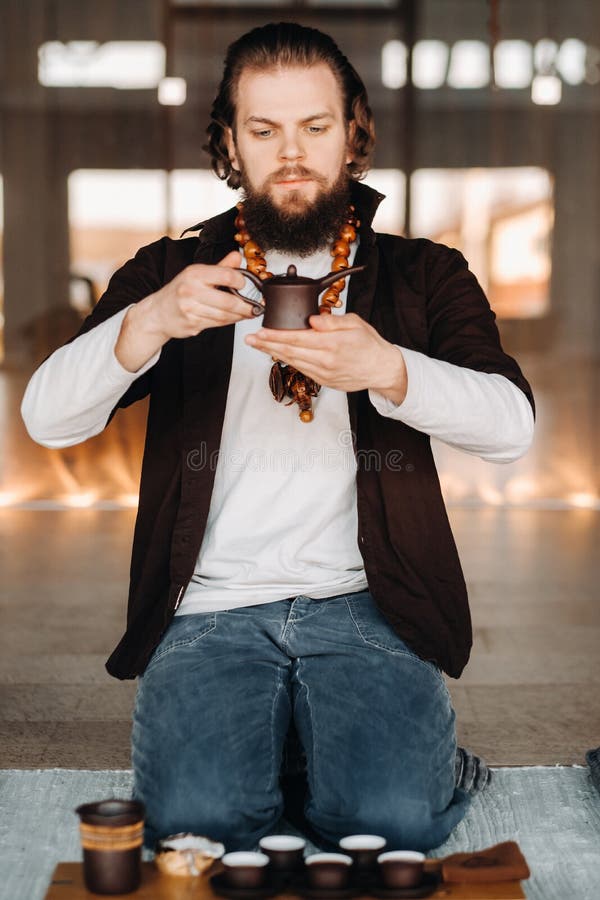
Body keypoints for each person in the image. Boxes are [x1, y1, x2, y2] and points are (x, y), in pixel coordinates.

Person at [21, 22, 535, 854]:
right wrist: (149, 322)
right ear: (231, 142)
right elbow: (48, 418)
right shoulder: (170, 271)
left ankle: (394, 761)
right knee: (199, 832)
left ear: (352, 133)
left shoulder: (424, 273)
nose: (290, 153)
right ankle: (315, 754)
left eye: (314, 127)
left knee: (391, 826)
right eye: (264, 130)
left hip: (371, 606)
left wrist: (389, 367)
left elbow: (512, 428)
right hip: (209, 612)